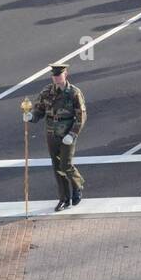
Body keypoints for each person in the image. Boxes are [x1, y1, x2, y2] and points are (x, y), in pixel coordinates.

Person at [29, 63, 87, 211]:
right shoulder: (47, 91)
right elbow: (39, 110)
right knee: (57, 167)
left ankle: (77, 185)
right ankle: (64, 198)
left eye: (59, 75)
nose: (56, 78)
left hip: (67, 132)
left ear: (65, 75)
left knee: (65, 165)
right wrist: (31, 116)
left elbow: (81, 117)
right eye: (54, 75)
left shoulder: (74, 93)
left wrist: (72, 134)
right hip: (51, 133)